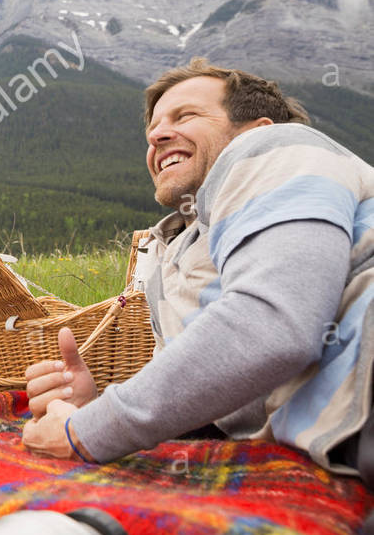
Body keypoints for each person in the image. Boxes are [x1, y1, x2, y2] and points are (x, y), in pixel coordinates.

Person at [23, 58, 374, 485]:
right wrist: (90, 403)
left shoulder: (273, 148)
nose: (156, 135)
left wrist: (87, 431)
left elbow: (272, 328)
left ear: (255, 129)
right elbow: (212, 391)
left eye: (185, 115)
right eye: (151, 129)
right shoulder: (175, 251)